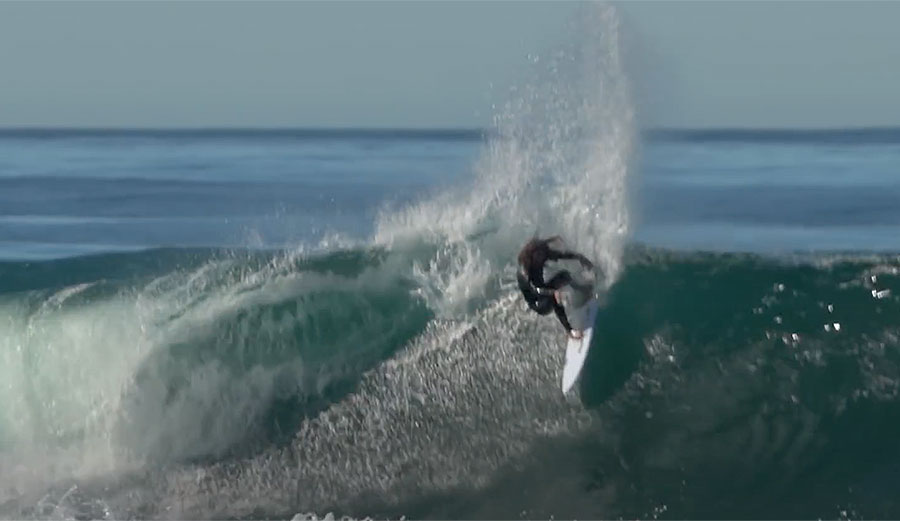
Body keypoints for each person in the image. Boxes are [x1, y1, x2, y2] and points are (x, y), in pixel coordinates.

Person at [516, 235, 595, 339]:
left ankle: (583, 291)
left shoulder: (540, 254)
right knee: (553, 296)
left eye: (544, 254)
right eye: (541, 255)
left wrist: (579, 257)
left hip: (543, 290)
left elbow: (562, 255)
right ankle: (570, 331)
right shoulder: (524, 271)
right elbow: (535, 290)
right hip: (537, 302)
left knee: (564, 275)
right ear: (533, 255)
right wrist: (552, 292)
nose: (544, 257)